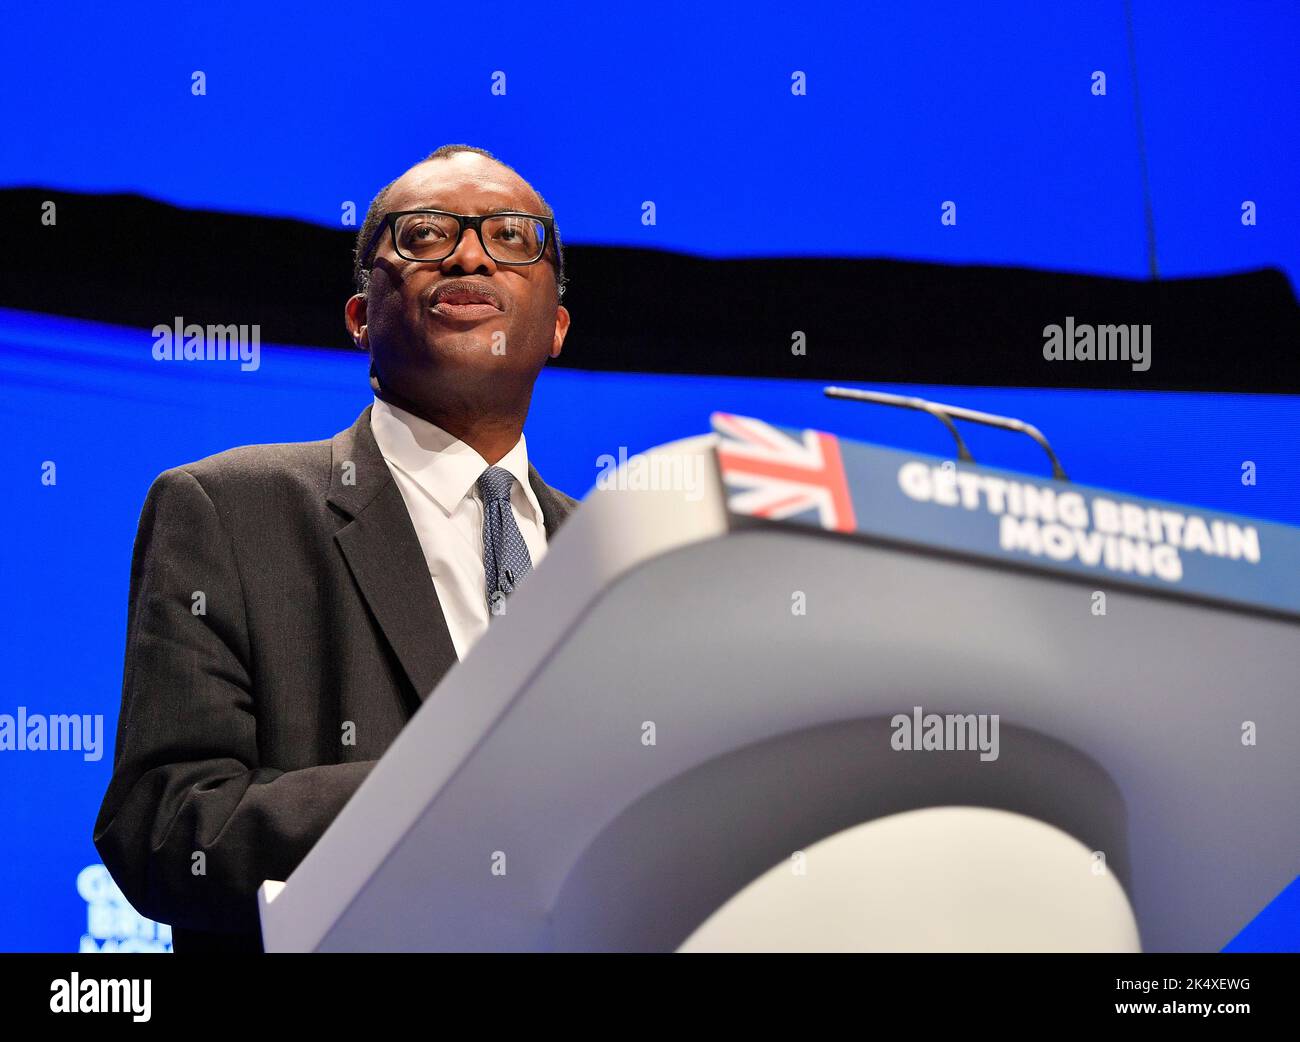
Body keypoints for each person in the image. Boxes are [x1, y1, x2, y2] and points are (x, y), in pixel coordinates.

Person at [93, 145, 576, 952]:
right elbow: (165, 828)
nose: (468, 254)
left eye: (511, 237)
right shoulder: (228, 509)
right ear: (360, 318)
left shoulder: (614, 558)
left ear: (556, 325)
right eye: (424, 235)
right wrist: (446, 794)